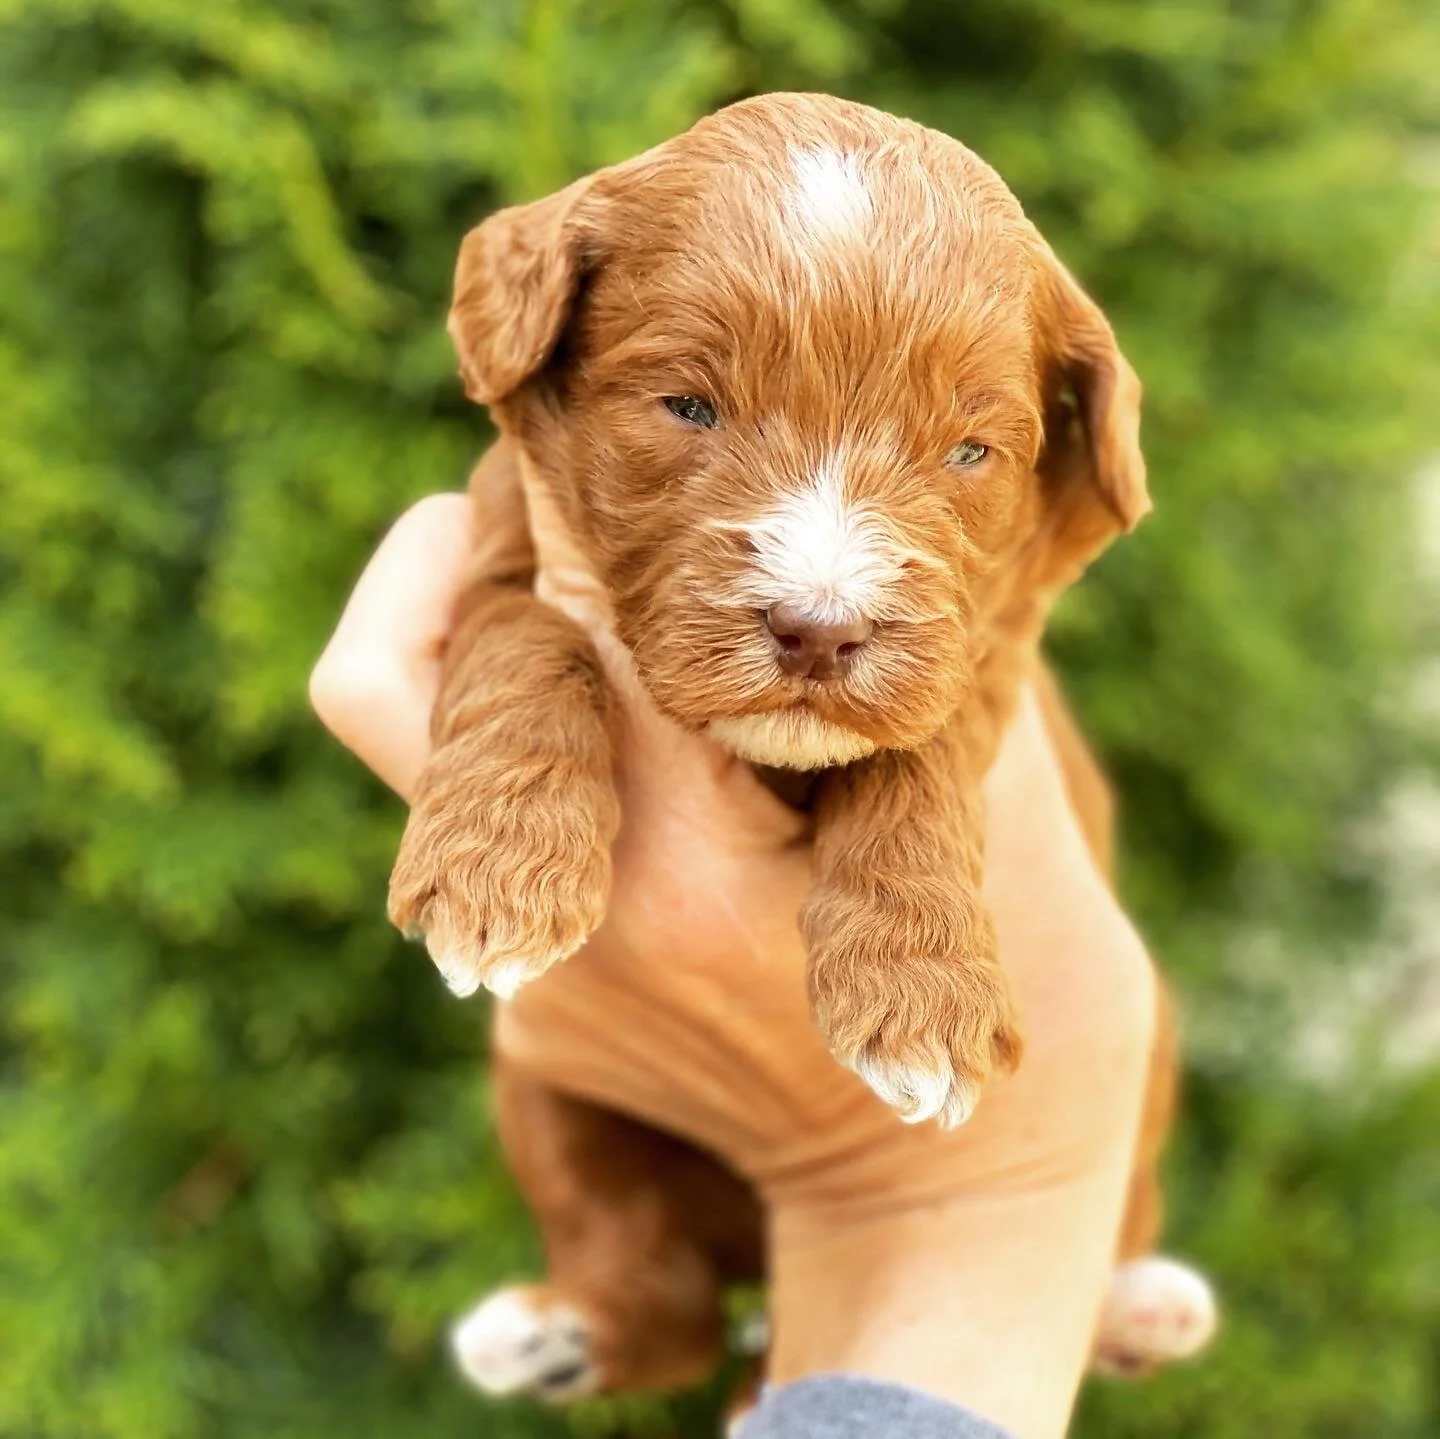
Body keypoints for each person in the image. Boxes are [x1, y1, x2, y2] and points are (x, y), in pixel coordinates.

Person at [310, 491, 1160, 1439]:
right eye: (693, 407)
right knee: (571, 1121)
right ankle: (635, 1298)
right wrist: (988, 1195)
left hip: (893, 1243)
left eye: (964, 456)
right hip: (731, 1161)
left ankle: (712, 1329)